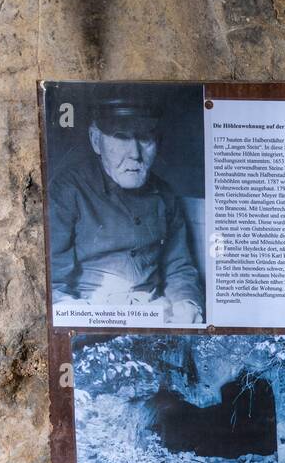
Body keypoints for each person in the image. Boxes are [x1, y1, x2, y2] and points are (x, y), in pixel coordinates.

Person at [48, 97, 205, 323]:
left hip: (153, 312)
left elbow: (178, 267)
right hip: (91, 313)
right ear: (95, 140)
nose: (135, 153)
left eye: (144, 138)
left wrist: (187, 304)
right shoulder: (67, 190)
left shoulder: (164, 194)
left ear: (157, 142)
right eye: (121, 137)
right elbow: (52, 282)